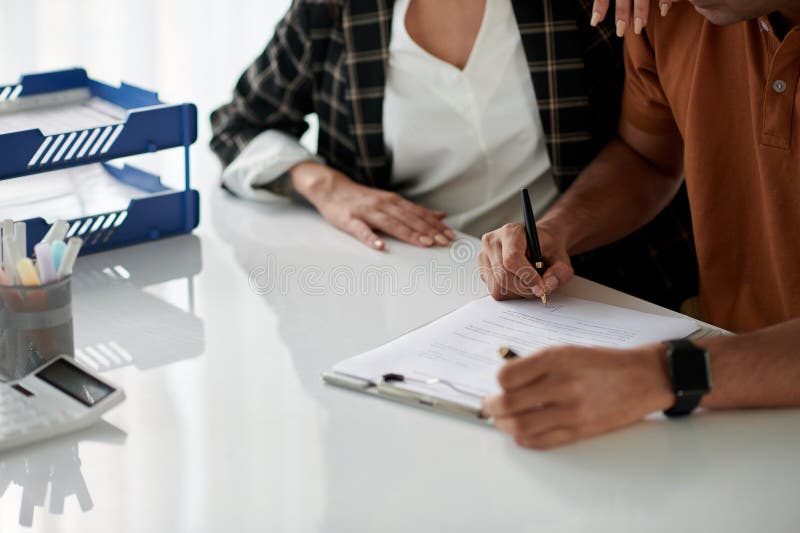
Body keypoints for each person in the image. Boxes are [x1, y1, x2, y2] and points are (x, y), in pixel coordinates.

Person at [210, 0, 699, 311]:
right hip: (405, 293)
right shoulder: (331, 10)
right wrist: (327, 187)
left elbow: (649, 151)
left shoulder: (582, 5)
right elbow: (239, 123)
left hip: (584, 286)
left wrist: (556, 231)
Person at [479, 0, 800, 449]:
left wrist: (662, 373)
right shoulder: (676, 11)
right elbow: (647, 158)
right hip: (723, 393)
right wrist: (557, 230)